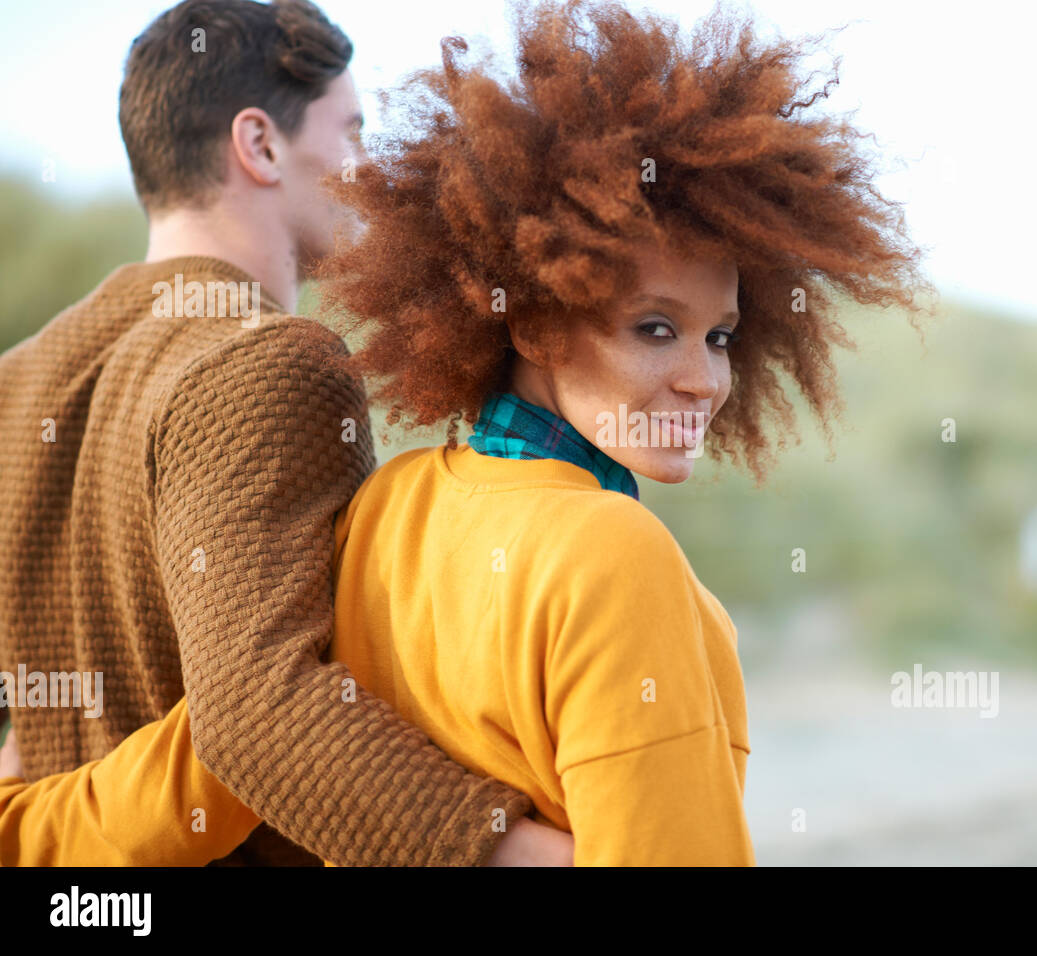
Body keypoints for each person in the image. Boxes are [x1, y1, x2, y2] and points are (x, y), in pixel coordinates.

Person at [309, 0, 925, 863]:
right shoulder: (611, 547)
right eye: (654, 328)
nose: (705, 380)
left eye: (720, 336)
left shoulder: (391, 501)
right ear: (533, 324)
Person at [0, 0, 571, 866]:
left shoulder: (18, 377)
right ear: (260, 144)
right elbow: (260, 713)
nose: (370, 168)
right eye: (353, 131)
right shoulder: (272, 362)